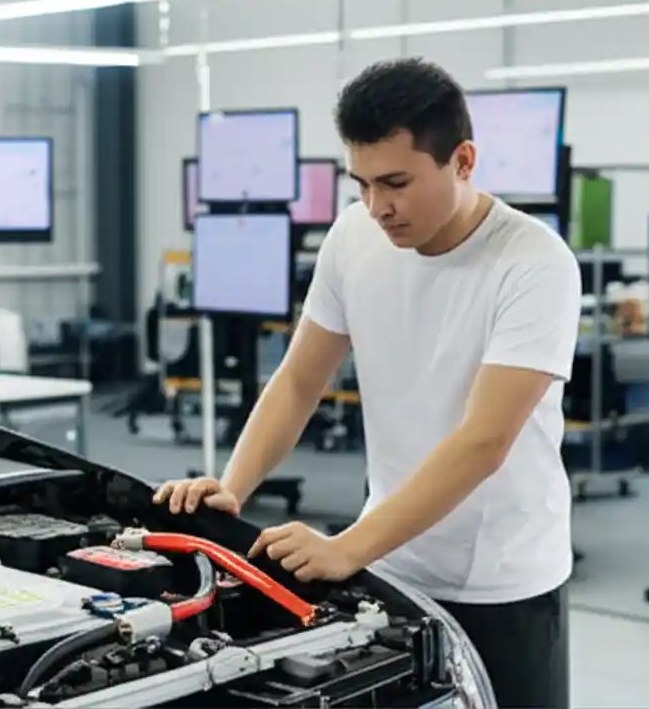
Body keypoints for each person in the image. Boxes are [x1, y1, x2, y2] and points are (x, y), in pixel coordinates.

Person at [153, 57, 580, 708]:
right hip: (391, 565)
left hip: (504, 581)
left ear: (463, 161)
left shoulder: (533, 262)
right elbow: (298, 381)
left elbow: (485, 440)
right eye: (362, 184)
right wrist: (230, 490)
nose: (379, 207)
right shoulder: (353, 237)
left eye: (397, 183)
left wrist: (345, 548)